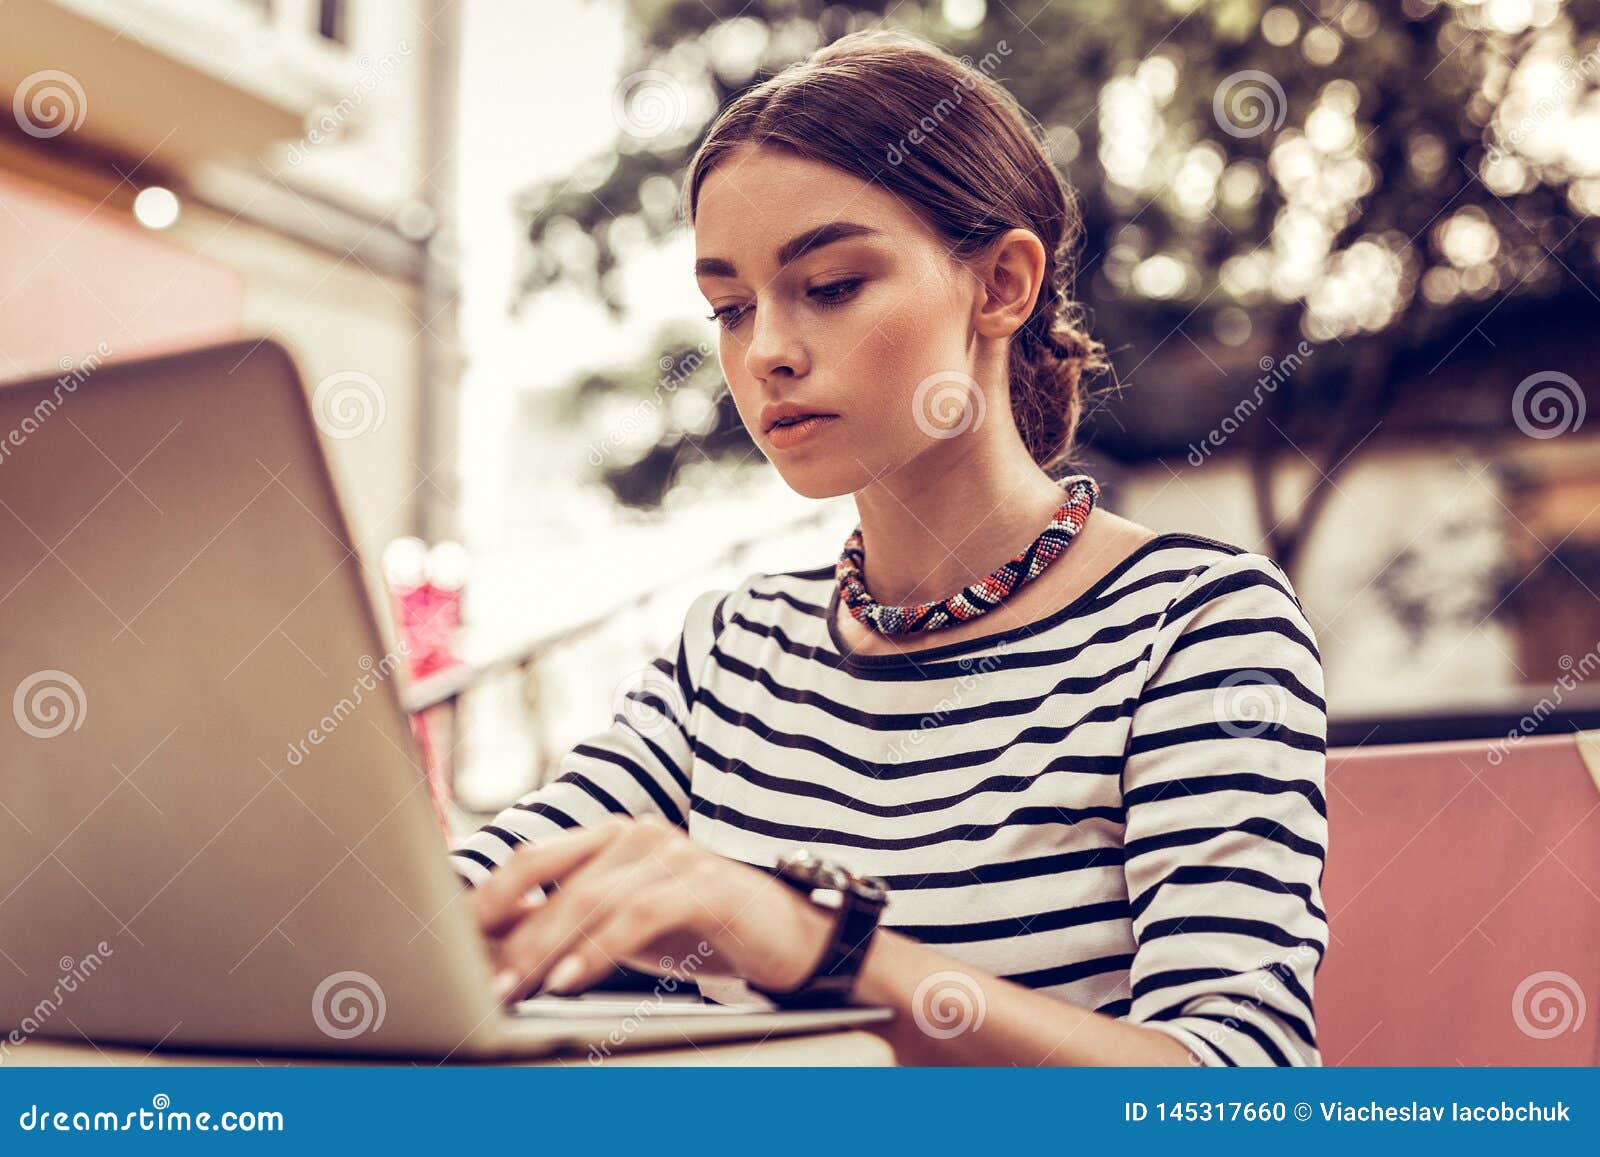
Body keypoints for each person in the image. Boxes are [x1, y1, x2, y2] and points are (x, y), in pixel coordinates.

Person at [451, 27, 1327, 1067]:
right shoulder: (734, 651)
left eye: (828, 286)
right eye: (729, 308)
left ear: (999, 285)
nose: (766, 351)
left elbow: (1236, 1084)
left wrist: (819, 946)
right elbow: (473, 896)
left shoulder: (1196, 630)